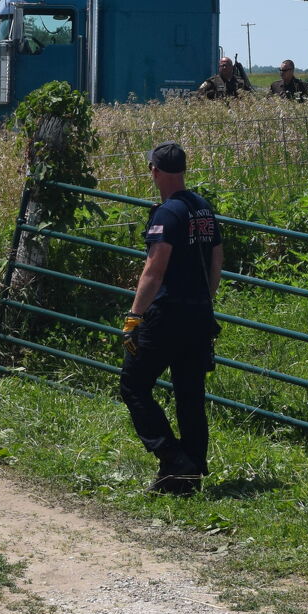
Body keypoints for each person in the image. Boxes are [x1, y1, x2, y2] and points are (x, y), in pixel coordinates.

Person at [118, 142, 223, 495]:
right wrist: (205, 299)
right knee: (189, 393)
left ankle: (172, 456)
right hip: (199, 314)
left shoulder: (167, 214)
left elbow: (154, 269)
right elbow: (216, 259)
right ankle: (188, 473)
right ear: (183, 169)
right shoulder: (203, 209)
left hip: (167, 315)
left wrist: (135, 315)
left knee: (133, 384)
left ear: (155, 171)